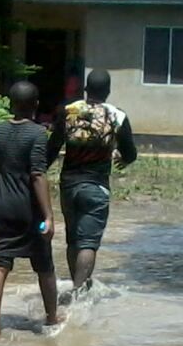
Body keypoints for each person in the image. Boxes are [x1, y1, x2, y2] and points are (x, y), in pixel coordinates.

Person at [46, 68, 137, 292]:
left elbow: (52, 148)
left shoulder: (68, 111)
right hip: (97, 187)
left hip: (68, 185)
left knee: (72, 239)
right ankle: (79, 291)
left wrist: (37, 174)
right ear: (107, 91)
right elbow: (131, 154)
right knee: (88, 243)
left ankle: (76, 285)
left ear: (86, 90)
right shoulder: (117, 115)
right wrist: (122, 159)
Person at [0, 81, 60, 339]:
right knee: (44, 266)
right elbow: (38, 174)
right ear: (36, 105)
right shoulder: (38, 133)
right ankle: (52, 318)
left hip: (0, 205)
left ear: (11, 104)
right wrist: (48, 215)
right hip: (27, 209)